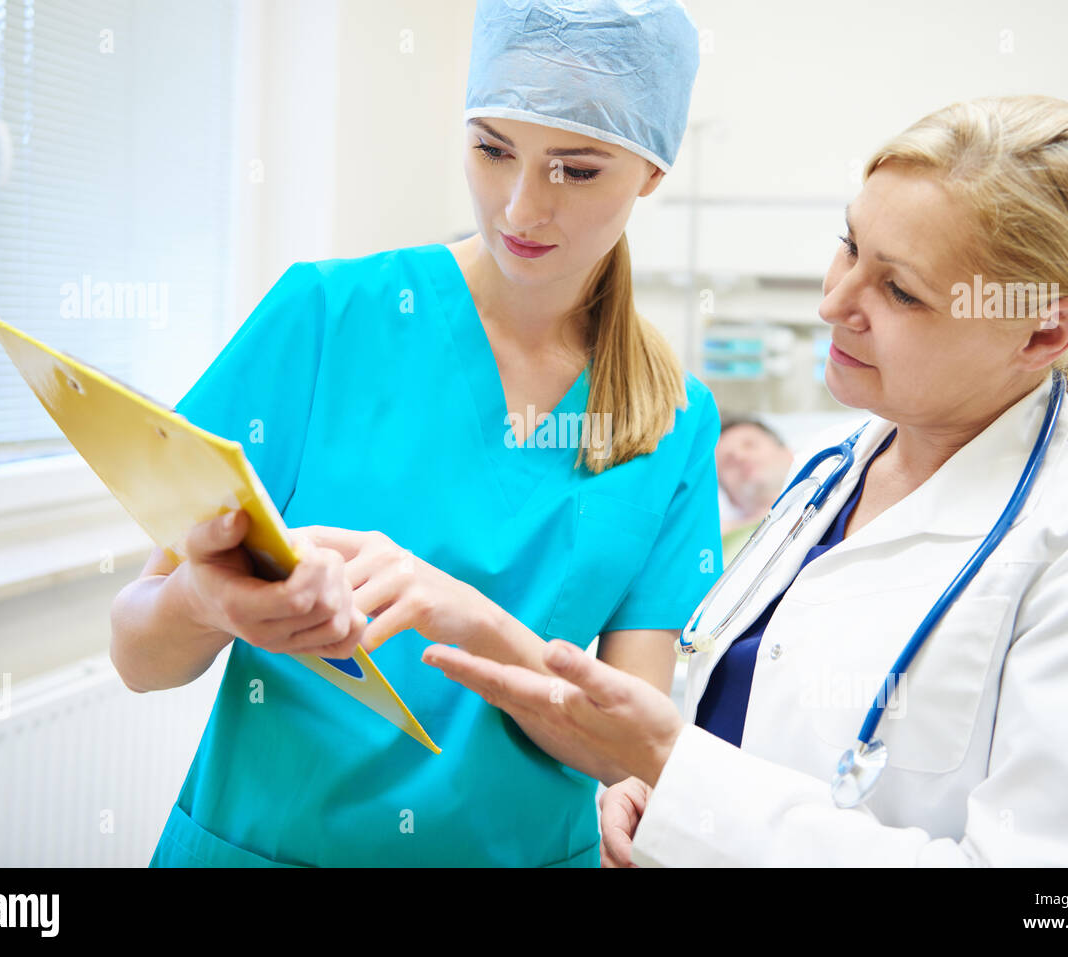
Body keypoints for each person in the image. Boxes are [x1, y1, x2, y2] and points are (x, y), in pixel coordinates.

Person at [424, 95, 1068, 867]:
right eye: (848, 245)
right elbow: (736, 739)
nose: (833, 302)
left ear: (1046, 329)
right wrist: (650, 793)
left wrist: (675, 766)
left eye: (899, 291)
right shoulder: (834, 470)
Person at [109, 0, 721, 867]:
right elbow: (139, 655)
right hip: (263, 844)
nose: (520, 206)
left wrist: (472, 621)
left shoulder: (676, 421)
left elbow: (627, 747)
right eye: (492, 148)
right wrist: (205, 602)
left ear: (652, 172)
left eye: (576, 170)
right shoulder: (323, 316)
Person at [716, 416, 794, 564]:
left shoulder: (836, 504)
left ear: (788, 454)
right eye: (728, 461)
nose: (740, 456)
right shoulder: (712, 548)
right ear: (729, 495)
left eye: (750, 445)